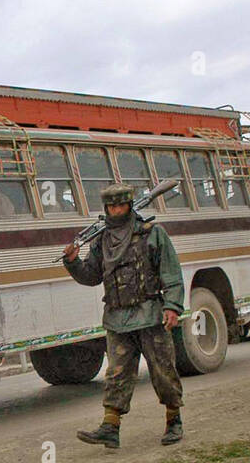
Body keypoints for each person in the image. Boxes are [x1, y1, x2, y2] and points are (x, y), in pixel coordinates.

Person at [62, 184, 185, 449]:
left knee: (163, 372)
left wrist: (172, 307)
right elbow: (91, 276)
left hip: (151, 315)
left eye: (121, 206)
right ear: (106, 209)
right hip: (118, 319)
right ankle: (110, 427)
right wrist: (73, 262)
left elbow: (171, 273)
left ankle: (174, 420)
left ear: (130, 206)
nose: (116, 211)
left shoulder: (152, 234)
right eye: (111, 207)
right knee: (116, 375)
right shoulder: (102, 240)